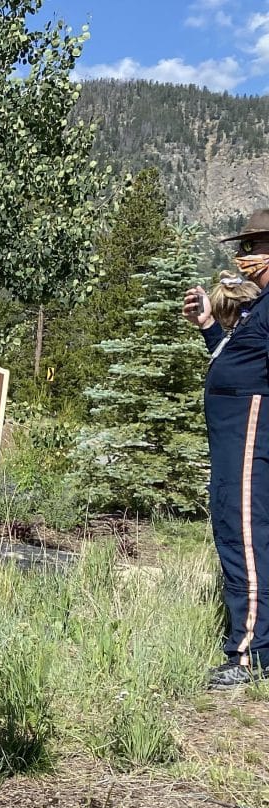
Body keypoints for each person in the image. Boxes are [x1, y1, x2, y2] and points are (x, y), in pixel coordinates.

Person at [182, 209, 269, 688]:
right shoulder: (259, 307)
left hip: (252, 435)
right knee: (237, 534)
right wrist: (210, 326)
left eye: (253, 247)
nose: (243, 257)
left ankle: (248, 655)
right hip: (234, 438)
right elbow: (238, 361)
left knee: (247, 541)